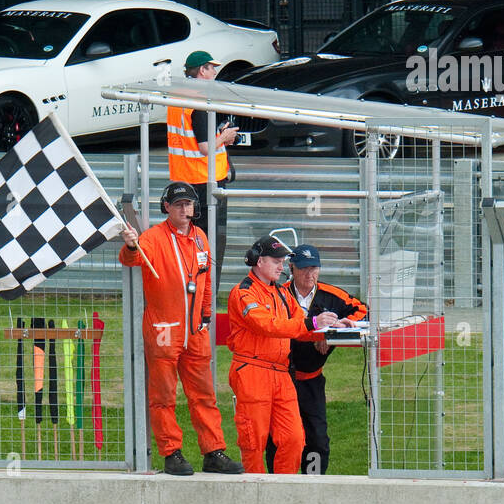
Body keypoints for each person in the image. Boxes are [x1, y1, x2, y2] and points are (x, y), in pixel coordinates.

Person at [119, 181, 243, 476]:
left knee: (204, 395)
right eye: (178, 205)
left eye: (188, 204)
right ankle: (171, 452)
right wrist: (130, 243)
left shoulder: (200, 237)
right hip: (164, 329)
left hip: (195, 330)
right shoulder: (153, 237)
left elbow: (206, 277)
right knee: (163, 396)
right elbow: (131, 258)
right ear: (167, 208)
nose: (185, 209)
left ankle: (213, 451)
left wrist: (207, 315)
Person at [265, 244, 367, 475]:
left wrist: (331, 333)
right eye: (303, 269)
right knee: (280, 436)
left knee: (317, 437)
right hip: (281, 378)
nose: (309, 274)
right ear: (291, 268)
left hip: (312, 379)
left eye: (314, 268)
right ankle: (278, 482)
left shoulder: (332, 295)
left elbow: (363, 311)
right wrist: (314, 331)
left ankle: (314, 483)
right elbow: (273, 326)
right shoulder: (278, 294)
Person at [227, 237, 321, 474]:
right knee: (253, 442)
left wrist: (331, 328)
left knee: (294, 439)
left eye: (282, 262)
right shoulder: (243, 293)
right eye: (277, 261)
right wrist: (312, 324)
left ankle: (281, 494)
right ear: (259, 261)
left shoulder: (281, 293)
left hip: (281, 374)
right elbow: (267, 326)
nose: (281, 266)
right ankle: (253, 496)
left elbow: (300, 326)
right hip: (252, 372)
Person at [167, 50, 238, 276]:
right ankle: (207, 296)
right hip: (205, 182)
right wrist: (224, 138)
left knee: (189, 239)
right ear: (201, 71)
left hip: (184, 180)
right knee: (210, 243)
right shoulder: (200, 100)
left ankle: (191, 285)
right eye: (211, 67)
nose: (215, 72)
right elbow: (205, 147)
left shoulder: (177, 96)